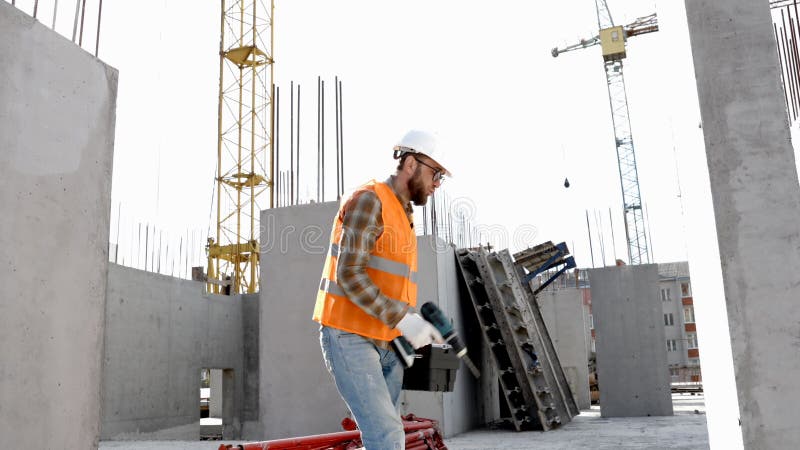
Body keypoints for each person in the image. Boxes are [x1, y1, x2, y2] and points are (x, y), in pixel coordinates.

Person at [313, 129, 452, 449]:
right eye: (436, 173)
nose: (437, 184)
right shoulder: (369, 200)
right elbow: (350, 274)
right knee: (387, 435)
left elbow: (388, 284)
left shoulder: (403, 215)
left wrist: (413, 324)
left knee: (385, 437)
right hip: (349, 335)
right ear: (412, 164)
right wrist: (404, 320)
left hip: (386, 341)